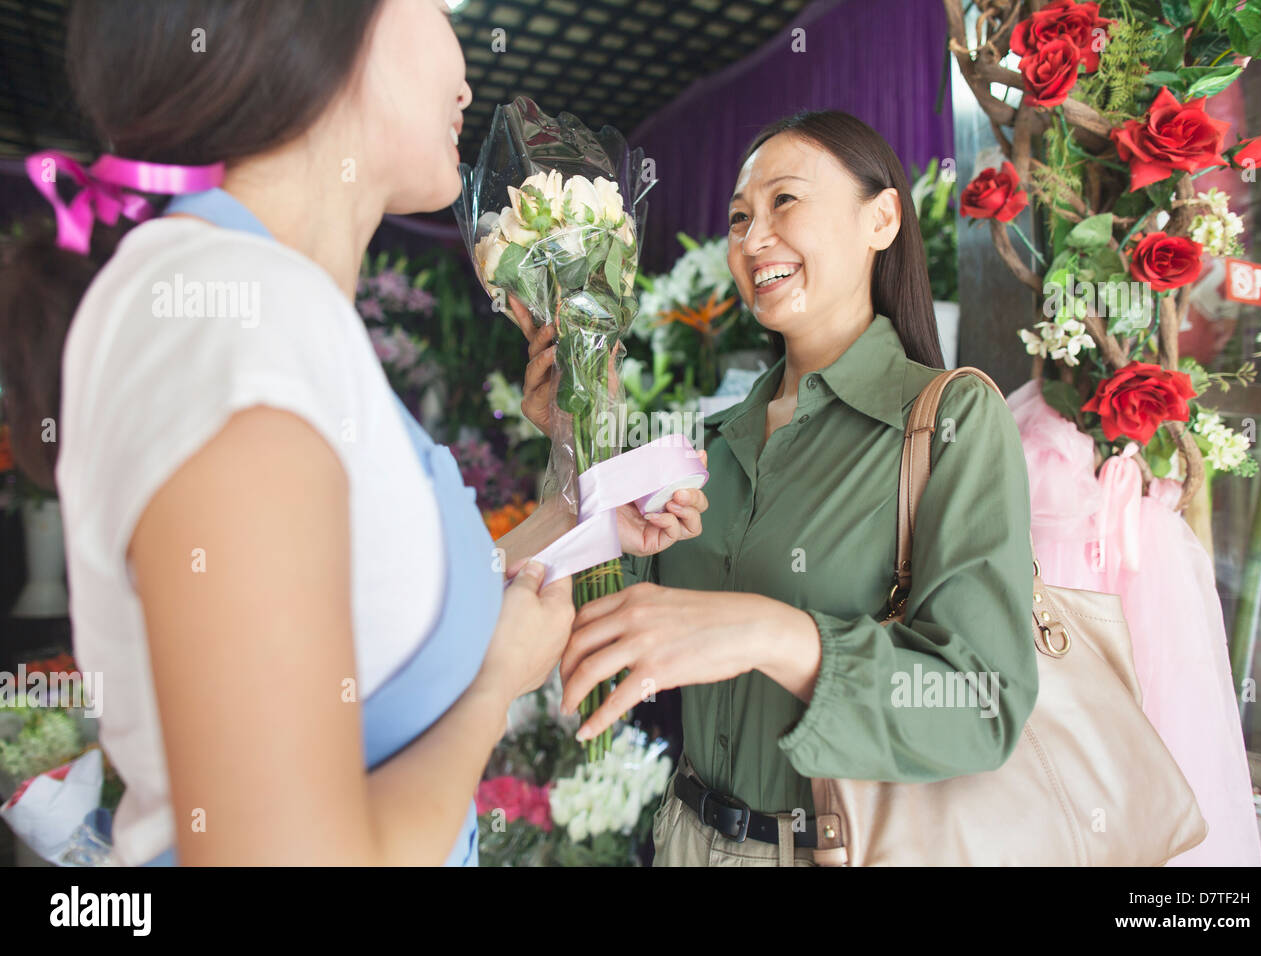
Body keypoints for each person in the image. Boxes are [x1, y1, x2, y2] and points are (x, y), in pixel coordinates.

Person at [0, 0, 706, 866]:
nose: (467, 64)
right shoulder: (232, 316)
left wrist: (578, 507)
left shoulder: (271, 306)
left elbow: (372, 613)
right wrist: (493, 687)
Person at [527, 111, 1040, 866]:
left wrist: (768, 632)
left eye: (784, 202)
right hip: (683, 841)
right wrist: (578, 439)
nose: (753, 237)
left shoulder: (953, 420)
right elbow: (598, 633)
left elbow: (979, 706)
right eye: (738, 218)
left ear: (883, 217)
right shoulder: (706, 442)